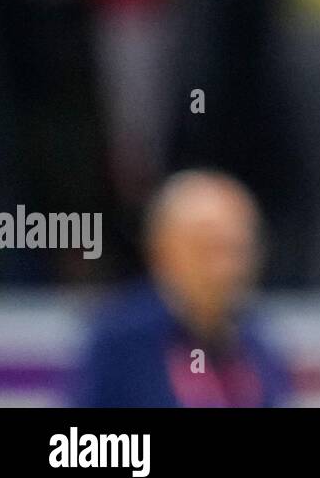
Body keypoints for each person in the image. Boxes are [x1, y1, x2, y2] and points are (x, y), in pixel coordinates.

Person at [73, 170, 290, 407]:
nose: (225, 268)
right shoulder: (121, 343)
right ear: (161, 249)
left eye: (237, 249)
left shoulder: (257, 344)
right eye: (208, 248)